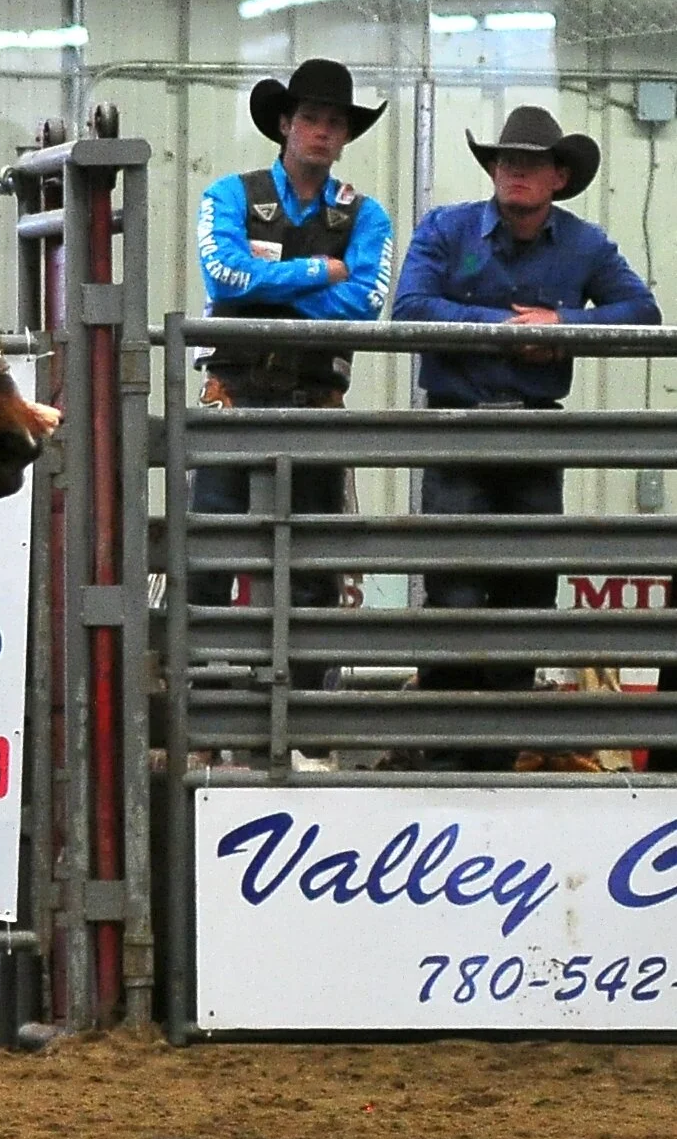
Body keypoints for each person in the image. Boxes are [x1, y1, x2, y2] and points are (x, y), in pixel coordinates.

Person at [394, 107, 660, 728]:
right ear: (493, 169)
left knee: (529, 587)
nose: (515, 171)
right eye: (506, 160)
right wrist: (505, 331)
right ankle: (447, 747)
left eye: (530, 162)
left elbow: (642, 313)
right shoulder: (446, 228)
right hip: (459, 425)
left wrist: (565, 327)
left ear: (557, 177)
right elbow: (407, 307)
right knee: (455, 591)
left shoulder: (583, 244)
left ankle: (499, 747)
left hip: (535, 429)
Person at [188, 58, 395, 691]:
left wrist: (265, 291)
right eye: (310, 118)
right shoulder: (230, 193)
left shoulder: (368, 215)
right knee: (211, 552)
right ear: (285, 124)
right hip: (236, 395)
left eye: (335, 123)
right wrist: (315, 272)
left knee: (308, 561)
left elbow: (364, 303)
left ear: (346, 136)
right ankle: (202, 703)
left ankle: (301, 706)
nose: (322, 132)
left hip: (314, 399)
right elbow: (221, 275)